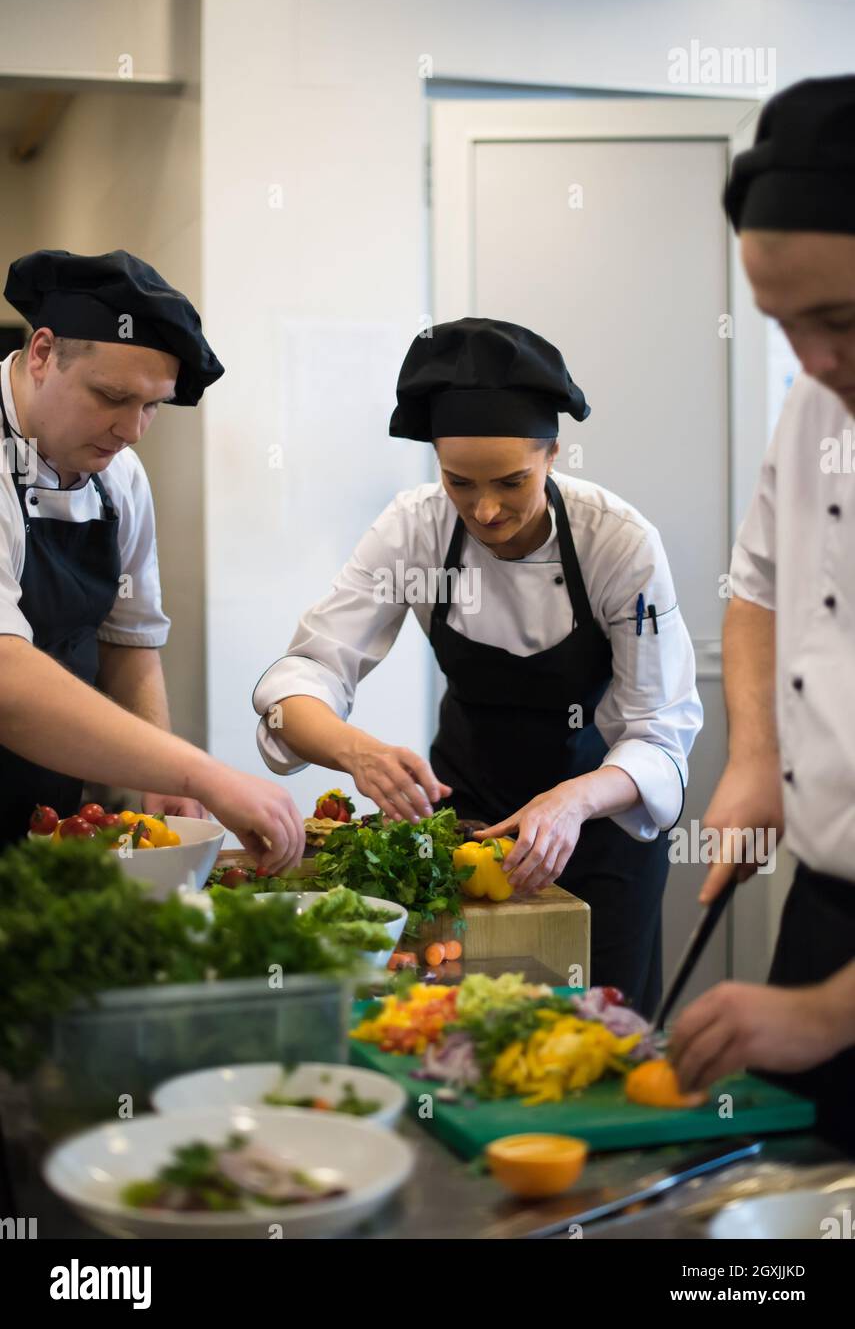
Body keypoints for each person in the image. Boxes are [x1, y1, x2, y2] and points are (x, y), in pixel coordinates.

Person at [253, 318, 702, 1012]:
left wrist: (571, 800)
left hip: (601, 836)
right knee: (452, 1021)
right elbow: (303, 677)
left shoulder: (617, 543)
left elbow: (658, 733)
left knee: (595, 1032)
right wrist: (356, 752)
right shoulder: (416, 528)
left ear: (552, 456)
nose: (485, 510)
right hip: (465, 830)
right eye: (459, 482)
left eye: (512, 482)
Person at [670, 76, 855, 1152]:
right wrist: (755, 758)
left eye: (841, 321)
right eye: (790, 329)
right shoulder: (814, 402)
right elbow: (762, 587)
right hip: (826, 906)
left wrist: (827, 1015)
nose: (817, 363)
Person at [0, 248, 304, 870]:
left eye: (152, 406)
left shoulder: (120, 478)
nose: (133, 430)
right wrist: (198, 773)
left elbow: (129, 640)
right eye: (112, 396)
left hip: (44, 813)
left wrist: (157, 772)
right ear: (42, 355)